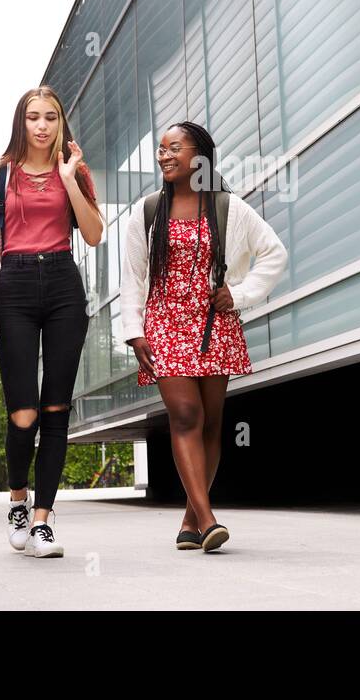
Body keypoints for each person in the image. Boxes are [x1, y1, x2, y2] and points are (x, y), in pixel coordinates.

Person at [121, 121, 287, 552]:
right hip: (165, 325)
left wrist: (242, 294)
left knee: (212, 423)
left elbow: (274, 253)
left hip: (216, 325)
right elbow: (133, 277)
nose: (164, 155)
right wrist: (133, 331)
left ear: (200, 154)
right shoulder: (148, 210)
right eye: (160, 149)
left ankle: (191, 522)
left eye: (174, 147)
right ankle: (209, 517)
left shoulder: (228, 208)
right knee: (186, 416)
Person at [0, 87, 102, 557]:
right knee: (23, 411)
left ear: (60, 122)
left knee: (55, 410)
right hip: (16, 285)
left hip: (64, 283)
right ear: (21, 122)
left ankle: (45, 519)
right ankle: (17, 499)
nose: (43, 126)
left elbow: (92, 234)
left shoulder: (76, 169)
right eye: (34, 117)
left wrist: (69, 179)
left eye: (51, 117)